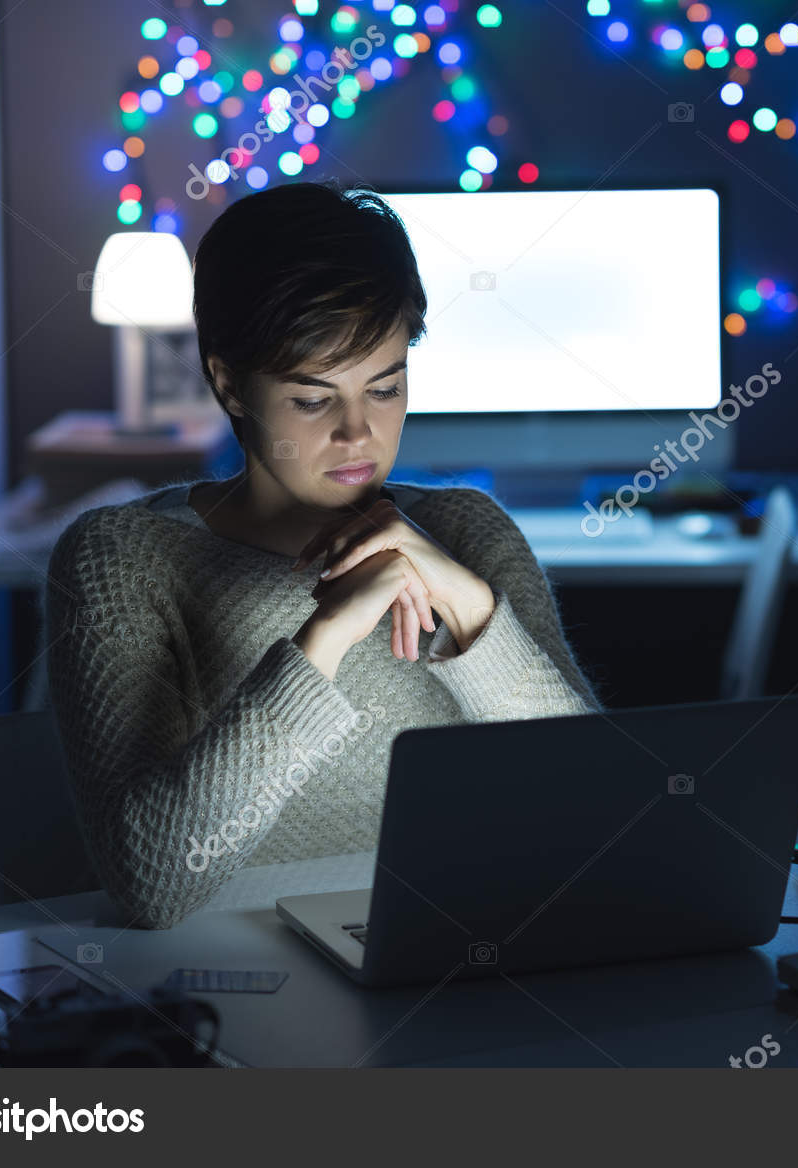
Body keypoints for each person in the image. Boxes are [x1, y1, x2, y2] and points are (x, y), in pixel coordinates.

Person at [44, 181, 599, 928]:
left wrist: (471, 611)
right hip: (229, 988)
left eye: (385, 387)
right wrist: (325, 638)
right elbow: (154, 884)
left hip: (461, 960)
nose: (357, 433)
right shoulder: (121, 559)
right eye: (313, 399)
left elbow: (599, 812)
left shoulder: (467, 534)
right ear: (230, 385)